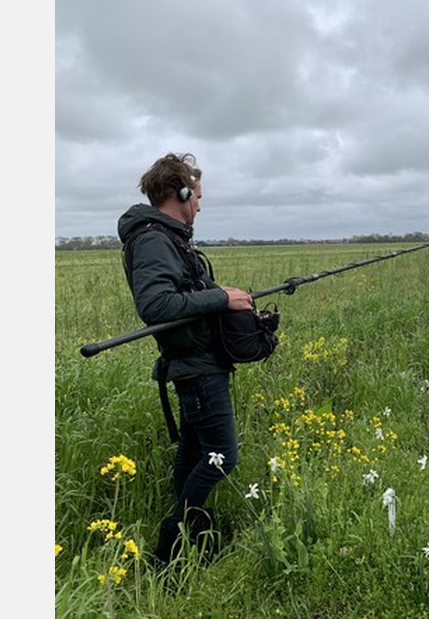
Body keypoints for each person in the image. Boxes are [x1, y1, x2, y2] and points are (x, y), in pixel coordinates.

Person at [117, 152, 255, 568]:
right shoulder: (154, 239)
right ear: (180, 193)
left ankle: (194, 536)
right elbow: (156, 304)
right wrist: (219, 298)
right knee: (222, 458)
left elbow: (184, 290)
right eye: (196, 195)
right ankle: (168, 549)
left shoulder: (168, 237)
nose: (199, 204)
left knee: (195, 454)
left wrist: (224, 293)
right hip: (196, 367)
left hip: (199, 361)